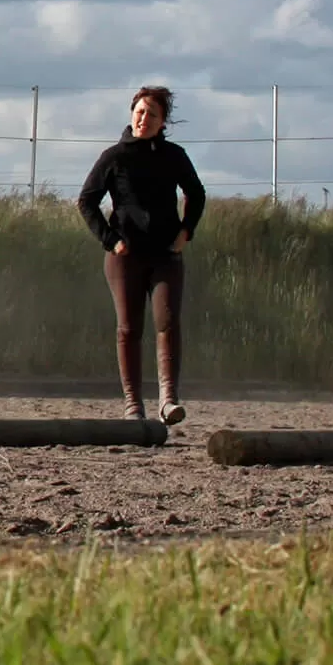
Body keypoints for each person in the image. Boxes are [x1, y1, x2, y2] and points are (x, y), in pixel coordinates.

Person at [77, 86, 206, 424]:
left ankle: (168, 399)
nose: (144, 118)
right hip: (125, 257)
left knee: (167, 321)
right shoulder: (114, 157)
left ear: (163, 122)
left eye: (152, 114)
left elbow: (196, 192)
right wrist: (110, 240)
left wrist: (185, 232)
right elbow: (86, 201)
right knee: (129, 328)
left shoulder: (174, 155)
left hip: (165, 254)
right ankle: (133, 404)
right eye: (140, 111)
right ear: (131, 112)